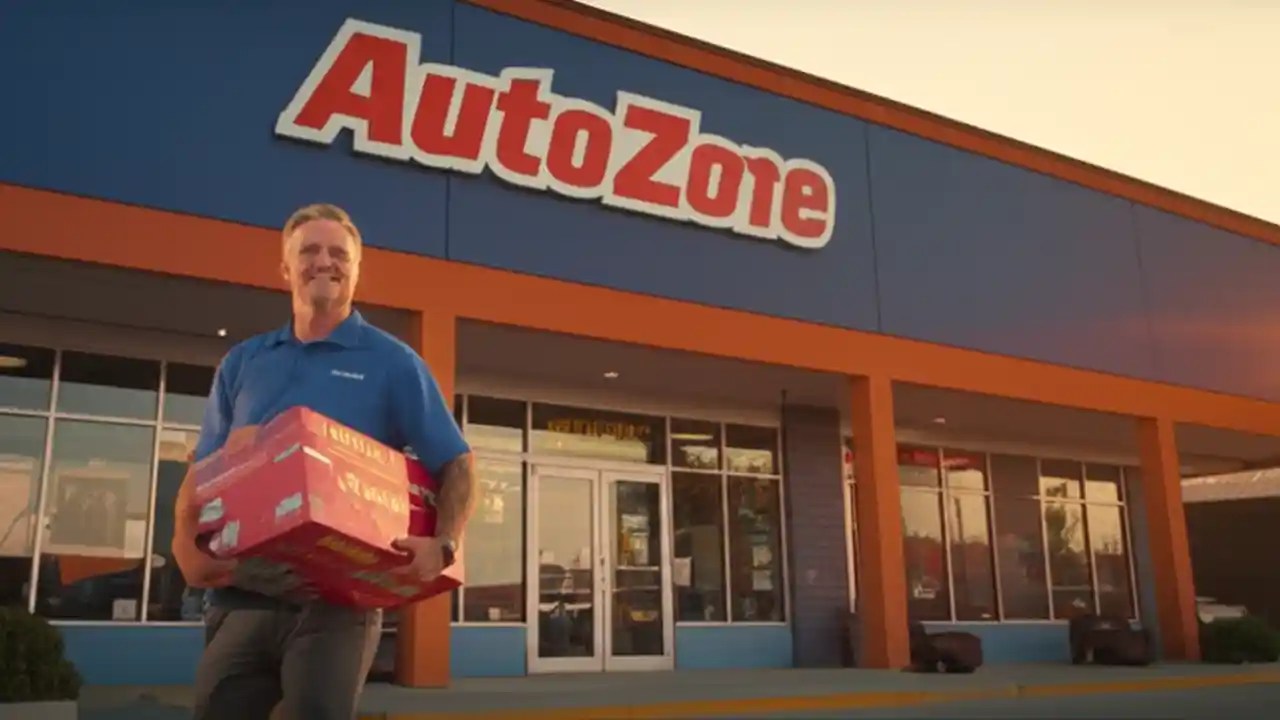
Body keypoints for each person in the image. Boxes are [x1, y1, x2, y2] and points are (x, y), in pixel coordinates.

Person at [171, 203, 477, 720]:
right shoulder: (245, 361)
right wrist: (183, 543)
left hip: (338, 603)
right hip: (241, 593)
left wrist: (445, 544)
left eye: (339, 253)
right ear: (285, 268)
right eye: (309, 250)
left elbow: (458, 463)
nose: (325, 261)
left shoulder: (393, 363)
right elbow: (203, 468)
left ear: (356, 270)